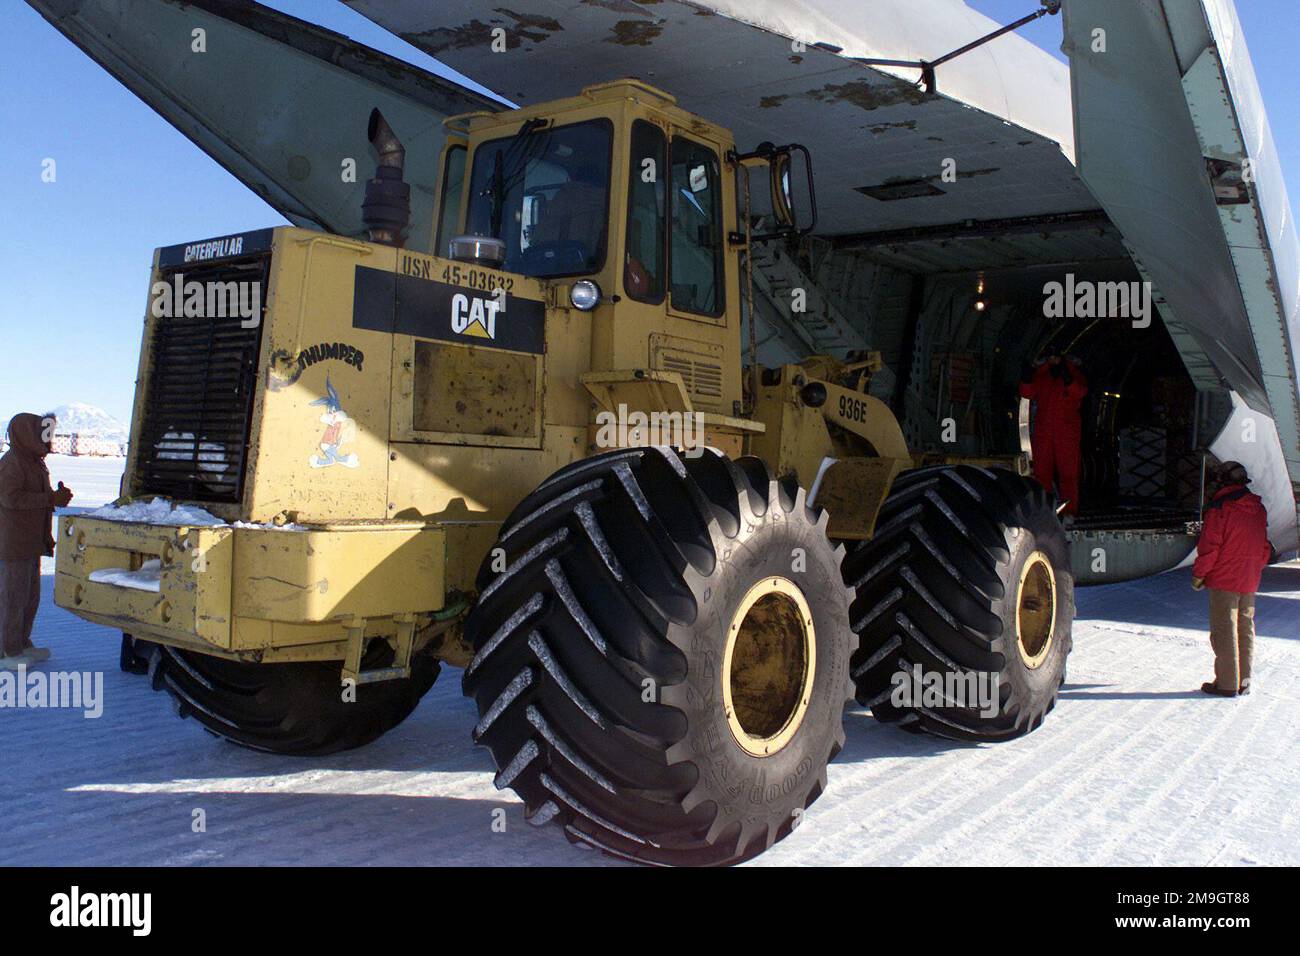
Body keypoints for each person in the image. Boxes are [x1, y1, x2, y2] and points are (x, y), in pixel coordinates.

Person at [1191, 461, 1272, 697]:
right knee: (1245, 629)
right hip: (1249, 579)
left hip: (1224, 579)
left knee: (1224, 630)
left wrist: (1199, 574)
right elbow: (1265, 546)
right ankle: (1244, 682)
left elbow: (1210, 547)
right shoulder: (1258, 508)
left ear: (1222, 481)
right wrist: (1254, 567)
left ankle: (1226, 684)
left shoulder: (1220, 508)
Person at [0, 413, 73, 669]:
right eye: (41, 433)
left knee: (30, 598)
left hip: (31, 542)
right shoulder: (13, 463)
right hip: (14, 544)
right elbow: (10, 499)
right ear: (25, 434)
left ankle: (20, 644)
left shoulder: (34, 461)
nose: (46, 438)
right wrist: (50, 499)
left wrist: (55, 497)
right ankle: (7, 651)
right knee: (13, 599)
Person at [1019, 353, 1088, 516]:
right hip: (1044, 433)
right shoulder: (1042, 375)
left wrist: (1065, 371)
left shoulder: (1074, 373)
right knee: (1042, 474)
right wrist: (1029, 371)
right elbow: (1026, 392)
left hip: (1066, 433)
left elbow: (1079, 391)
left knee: (1069, 475)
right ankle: (1044, 512)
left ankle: (1069, 512)